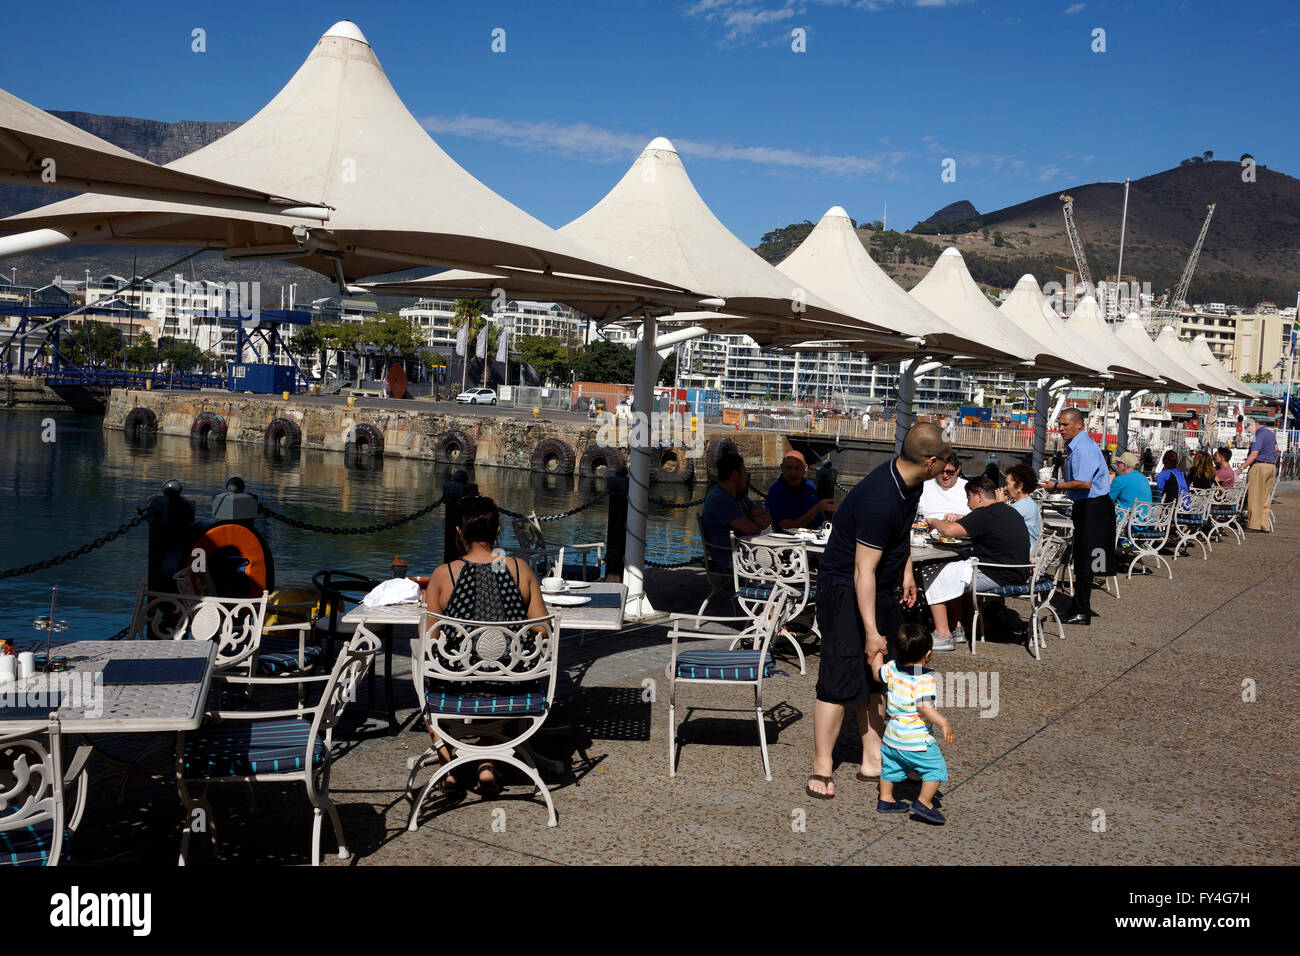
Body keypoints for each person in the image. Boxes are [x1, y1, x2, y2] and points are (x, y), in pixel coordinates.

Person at [805, 423, 950, 800]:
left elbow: (899, 535)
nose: (947, 466)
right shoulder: (879, 496)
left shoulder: (912, 484)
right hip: (842, 586)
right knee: (839, 674)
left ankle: (873, 758)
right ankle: (822, 764)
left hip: (881, 584)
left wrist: (906, 572)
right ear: (930, 461)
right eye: (945, 460)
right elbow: (861, 570)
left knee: (878, 674)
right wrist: (871, 630)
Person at [421, 496, 550, 796]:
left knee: (426, 671)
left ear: (459, 532)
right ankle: (487, 765)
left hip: (455, 688)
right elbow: (543, 630)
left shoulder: (444, 574)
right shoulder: (520, 569)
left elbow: (431, 640)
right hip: (513, 688)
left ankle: (448, 767)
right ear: (499, 531)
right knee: (495, 670)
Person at [924, 476, 1031, 650]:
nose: (967, 503)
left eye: (969, 498)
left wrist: (934, 521)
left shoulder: (985, 514)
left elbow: (950, 531)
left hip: (998, 574)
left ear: (979, 496)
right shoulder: (1008, 511)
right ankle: (957, 628)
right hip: (1018, 571)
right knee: (953, 573)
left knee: (933, 573)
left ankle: (943, 635)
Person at [869, 623, 953, 824]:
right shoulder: (925, 679)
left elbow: (876, 673)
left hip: (892, 737)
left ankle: (886, 799)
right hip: (916, 739)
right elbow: (924, 707)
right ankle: (924, 802)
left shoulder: (890, 669)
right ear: (928, 654)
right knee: (935, 768)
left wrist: (879, 651)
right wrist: (944, 723)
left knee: (890, 766)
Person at [1042, 406, 1115, 626]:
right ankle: (1079, 606)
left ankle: (1082, 610)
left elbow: (1084, 483)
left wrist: (1057, 486)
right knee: (1084, 557)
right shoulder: (1078, 446)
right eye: (1059, 425)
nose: (1060, 429)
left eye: (1065, 425)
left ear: (1079, 424)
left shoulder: (1083, 448)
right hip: (1088, 505)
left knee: (1087, 559)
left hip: (1094, 506)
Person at [701, 452, 770, 570]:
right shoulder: (721, 500)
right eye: (743, 472)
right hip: (729, 557)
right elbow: (752, 529)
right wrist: (754, 519)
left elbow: (763, 516)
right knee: (776, 560)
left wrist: (752, 519)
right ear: (734, 475)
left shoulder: (738, 495)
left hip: (745, 550)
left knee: (784, 556)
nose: (746, 476)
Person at [765, 450, 835, 530]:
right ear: (782, 468)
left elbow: (822, 516)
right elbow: (787, 527)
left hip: (820, 534)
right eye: (789, 468)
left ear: (805, 468)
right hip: (794, 539)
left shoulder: (809, 486)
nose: (793, 472)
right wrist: (817, 509)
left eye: (798, 468)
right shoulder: (777, 492)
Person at [1237, 422, 1277, 531]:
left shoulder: (1258, 435)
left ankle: (1254, 525)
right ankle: (1264, 525)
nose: (1248, 432)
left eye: (1248, 429)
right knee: (1265, 498)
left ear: (1252, 425)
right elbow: (1276, 448)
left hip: (1259, 467)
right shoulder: (1270, 433)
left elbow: (1254, 454)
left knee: (1254, 497)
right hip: (1271, 467)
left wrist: (1241, 468)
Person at [1002, 462, 1042, 553]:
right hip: (1027, 553)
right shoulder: (1028, 503)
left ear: (1019, 486)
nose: (1005, 488)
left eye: (1007, 484)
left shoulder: (1023, 505)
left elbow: (999, 523)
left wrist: (999, 504)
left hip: (1022, 557)